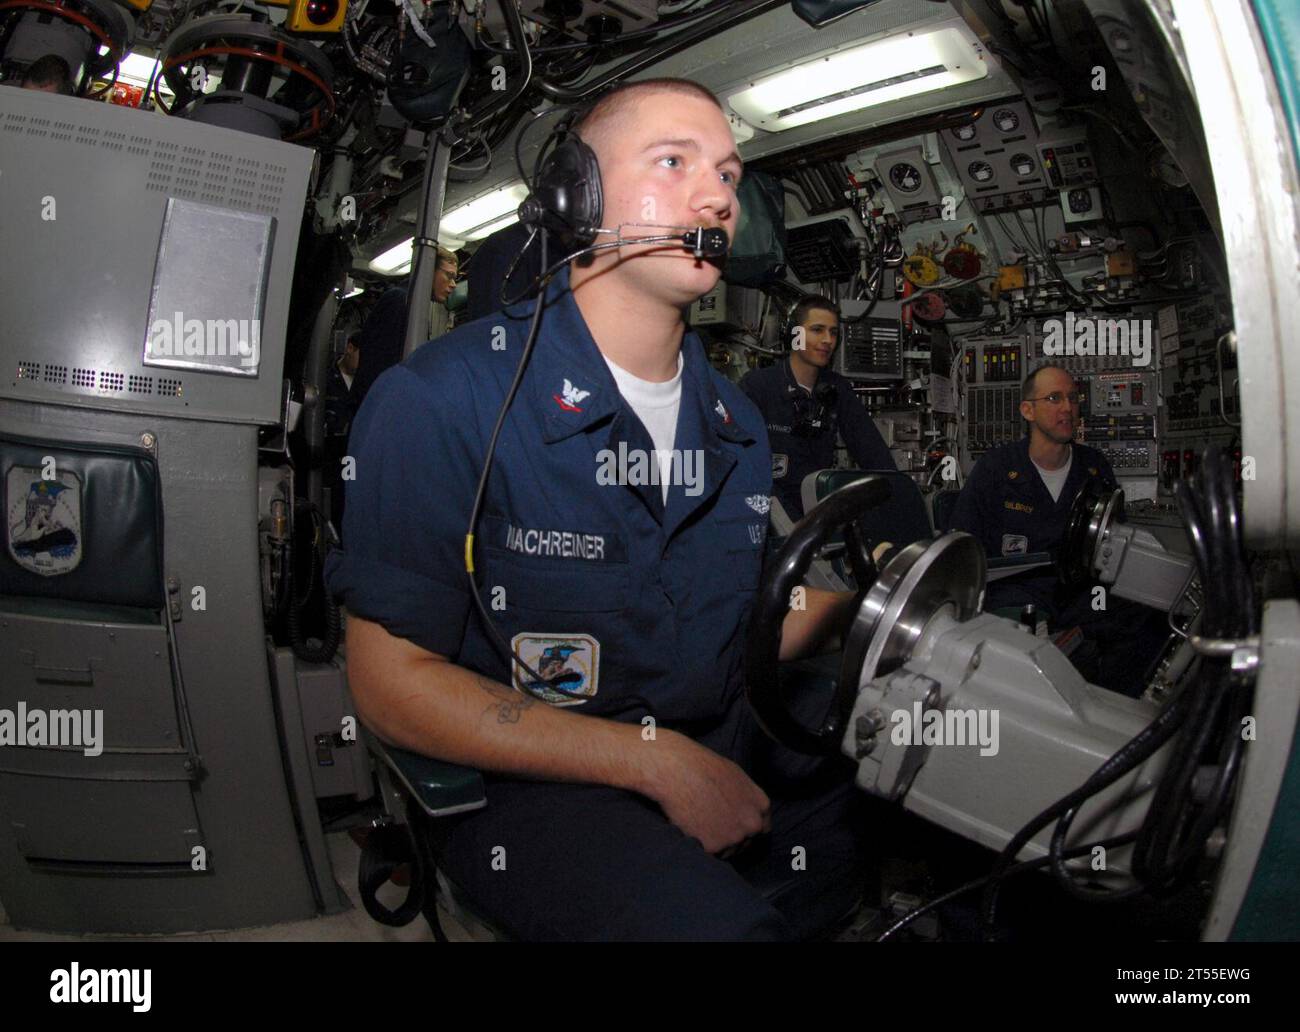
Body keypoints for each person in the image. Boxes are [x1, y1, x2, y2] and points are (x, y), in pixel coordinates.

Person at [326, 77, 871, 940]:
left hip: (720, 731)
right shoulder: (441, 401)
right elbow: (389, 687)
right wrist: (651, 763)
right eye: (674, 161)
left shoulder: (732, 423)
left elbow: (745, 620)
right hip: (538, 783)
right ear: (575, 197)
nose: (716, 197)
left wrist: (864, 612)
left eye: (728, 175)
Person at [949, 362, 1166, 695]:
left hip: (1083, 595)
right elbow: (963, 543)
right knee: (1035, 633)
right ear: (1028, 410)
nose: (1067, 407)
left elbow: (1112, 541)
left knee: (1144, 614)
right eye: (1054, 398)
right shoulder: (996, 469)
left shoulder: (1093, 468)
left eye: (1072, 398)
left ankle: (1112, 713)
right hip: (1017, 592)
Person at [739, 296, 895, 521]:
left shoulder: (837, 388)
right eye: (817, 330)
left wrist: (894, 497)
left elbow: (874, 455)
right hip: (768, 512)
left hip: (818, 512)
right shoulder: (758, 386)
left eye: (833, 332)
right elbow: (742, 464)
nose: (827, 340)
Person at [350, 245, 459, 405]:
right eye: (449, 275)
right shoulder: (400, 301)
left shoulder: (412, 304)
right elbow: (383, 363)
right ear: (428, 270)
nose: (453, 284)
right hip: (378, 406)